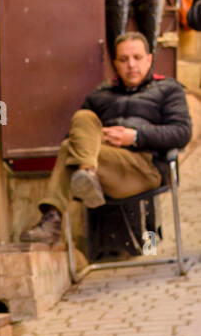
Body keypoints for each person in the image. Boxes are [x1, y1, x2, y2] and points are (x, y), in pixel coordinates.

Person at [20, 31, 191, 245]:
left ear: (149, 59)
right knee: (82, 119)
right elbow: (75, 136)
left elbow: (182, 132)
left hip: (143, 169)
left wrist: (135, 137)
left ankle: (53, 218)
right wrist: (96, 139)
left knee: (66, 149)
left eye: (137, 58)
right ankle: (87, 173)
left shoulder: (168, 89)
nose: (131, 64)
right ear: (115, 63)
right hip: (103, 169)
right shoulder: (100, 94)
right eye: (123, 59)